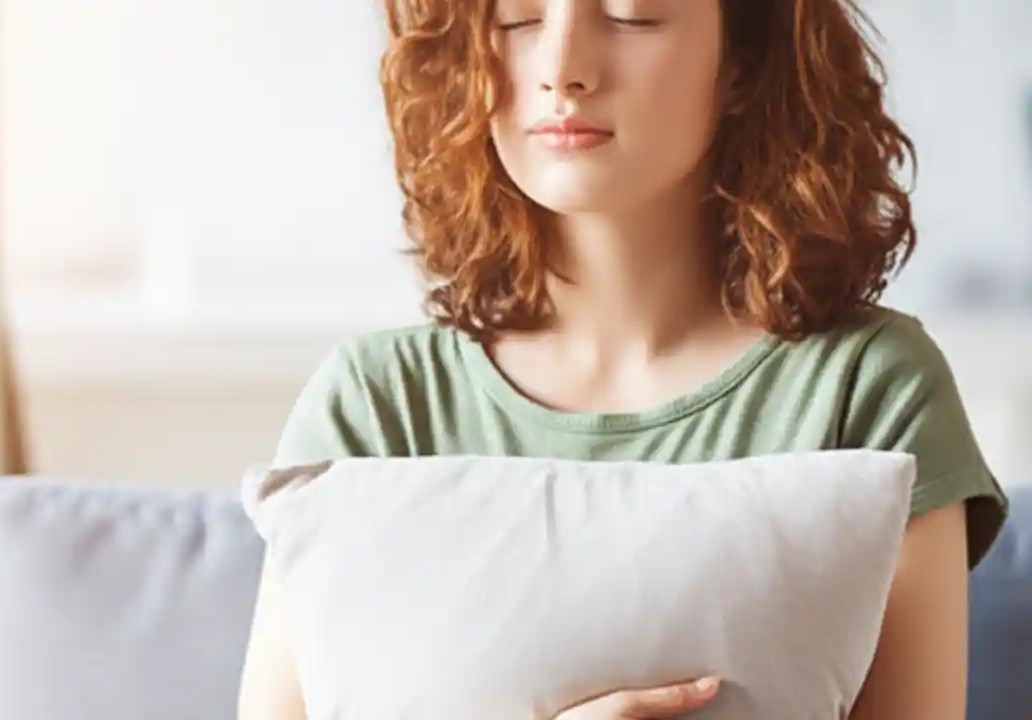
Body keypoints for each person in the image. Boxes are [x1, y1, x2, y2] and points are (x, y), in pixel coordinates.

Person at [238, 0, 1009, 717]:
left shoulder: (869, 391)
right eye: (519, 19)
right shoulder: (377, 408)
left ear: (741, 61)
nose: (562, 66)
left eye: (631, 15)